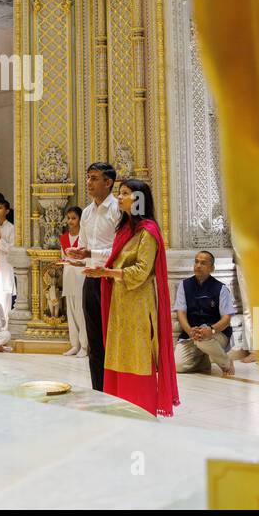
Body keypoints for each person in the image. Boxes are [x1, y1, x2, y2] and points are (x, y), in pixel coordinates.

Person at [82, 178, 179, 417]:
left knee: (137, 355)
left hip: (138, 304)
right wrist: (88, 261)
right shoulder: (125, 229)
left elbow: (141, 272)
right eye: (120, 193)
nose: (120, 198)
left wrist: (106, 272)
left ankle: (140, 408)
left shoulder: (148, 231)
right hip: (120, 303)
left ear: (139, 199)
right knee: (118, 353)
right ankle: (118, 405)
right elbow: (115, 259)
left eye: (125, 193)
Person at [70, 163, 121, 390]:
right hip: (91, 280)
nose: (89, 183)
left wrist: (92, 254)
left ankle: (117, 387)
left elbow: (122, 251)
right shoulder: (88, 212)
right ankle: (98, 389)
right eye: (88, 178)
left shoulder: (118, 210)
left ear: (108, 182)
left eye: (94, 178)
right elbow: (83, 246)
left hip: (112, 279)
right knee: (94, 339)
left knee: (113, 338)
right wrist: (77, 255)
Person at [173, 251, 235, 377]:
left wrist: (211, 330)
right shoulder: (184, 286)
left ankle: (226, 363)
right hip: (192, 334)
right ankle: (203, 361)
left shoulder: (221, 288)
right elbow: (181, 313)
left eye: (203, 263)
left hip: (216, 334)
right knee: (177, 366)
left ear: (212, 268)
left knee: (203, 339)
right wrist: (189, 330)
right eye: (196, 262)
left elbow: (226, 319)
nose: (198, 265)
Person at [58, 205, 87, 357]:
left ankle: (84, 345)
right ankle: (74, 344)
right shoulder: (63, 237)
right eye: (68, 218)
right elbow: (63, 257)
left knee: (81, 311)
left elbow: (87, 258)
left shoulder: (84, 236)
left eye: (74, 218)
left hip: (81, 274)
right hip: (69, 275)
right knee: (71, 310)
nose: (70, 221)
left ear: (80, 220)